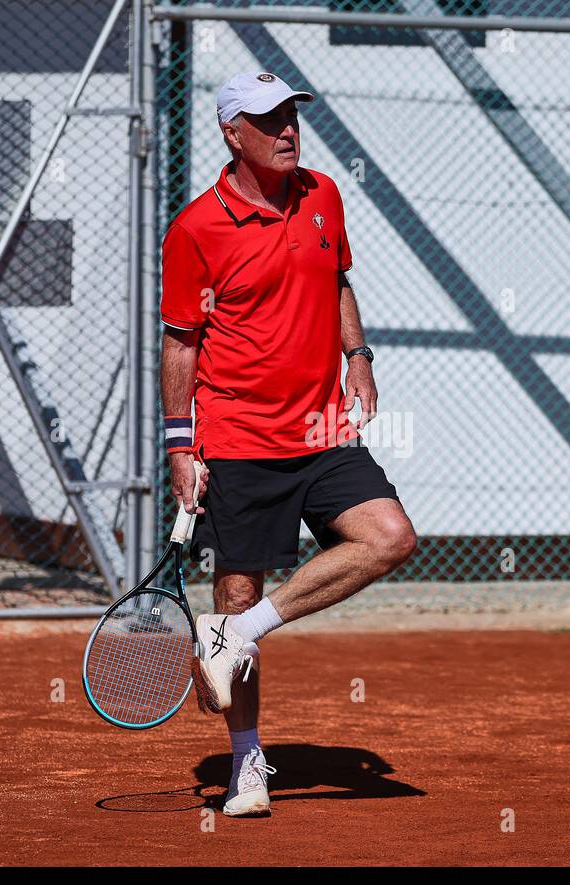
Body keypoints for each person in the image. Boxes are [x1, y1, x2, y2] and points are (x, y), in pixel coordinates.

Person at [159, 72, 417, 817]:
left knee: (391, 538)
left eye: (291, 115)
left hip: (321, 426)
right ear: (231, 134)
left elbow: (337, 280)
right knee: (237, 581)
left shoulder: (324, 195)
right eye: (266, 119)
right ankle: (247, 765)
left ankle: (234, 636)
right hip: (237, 434)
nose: (286, 129)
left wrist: (358, 355)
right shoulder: (195, 228)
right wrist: (182, 447)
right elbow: (181, 345)